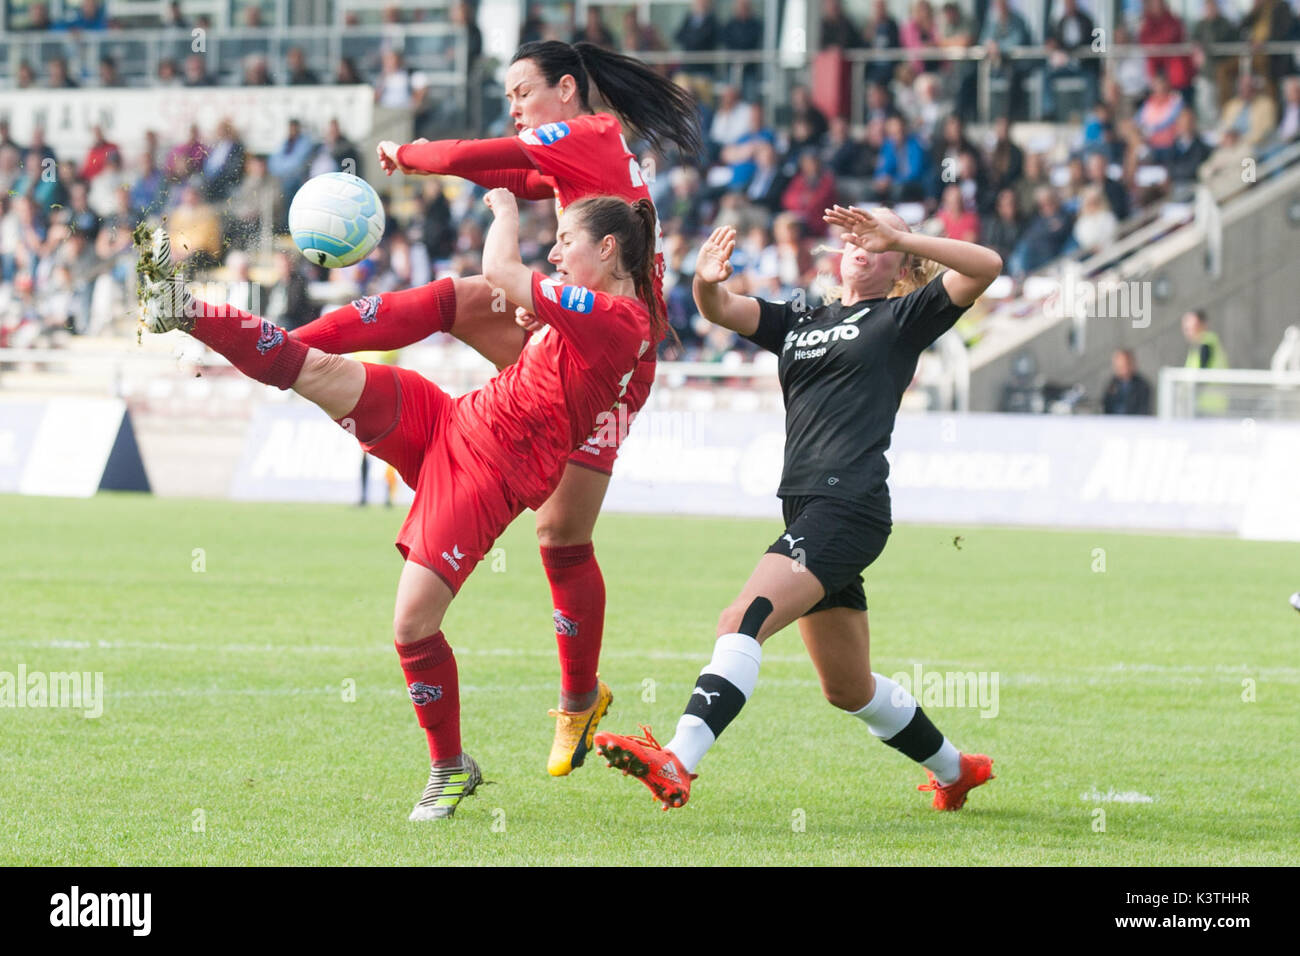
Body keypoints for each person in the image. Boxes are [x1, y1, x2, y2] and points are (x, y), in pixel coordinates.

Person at [135, 192, 659, 820]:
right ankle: (182, 308)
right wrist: (535, 323)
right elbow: (543, 340)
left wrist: (504, 212)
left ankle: (449, 767)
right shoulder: (599, 314)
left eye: (565, 241)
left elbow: (500, 272)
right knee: (315, 370)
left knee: (411, 624)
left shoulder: (623, 321)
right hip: (449, 417)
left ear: (607, 249)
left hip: (488, 478)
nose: (553, 252)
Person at [288, 40, 700, 777]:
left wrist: (411, 153)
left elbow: (493, 155)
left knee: (560, 535)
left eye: (522, 91)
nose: (514, 106)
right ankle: (291, 347)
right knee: (450, 302)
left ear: (566, 90)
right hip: (566, 332)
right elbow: (512, 165)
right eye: (508, 95)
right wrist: (473, 178)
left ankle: (580, 697)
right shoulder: (583, 157)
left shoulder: (590, 136)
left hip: (614, 360)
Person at [595, 205, 1001, 811]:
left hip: (849, 507)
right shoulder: (802, 318)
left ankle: (677, 759)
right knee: (848, 688)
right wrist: (707, 280)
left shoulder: (903, 316)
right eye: (859, 236)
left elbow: (987, 266)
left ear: (900, 265)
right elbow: (722, 309)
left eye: (880, 241)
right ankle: (956, 771)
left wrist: (902, 234)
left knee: (742, 618)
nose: (864, 244)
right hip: (809, 508)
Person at [1102, 349, 1153, 414]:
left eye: (1122, 366)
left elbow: (1143, 409)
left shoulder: (1142, 385)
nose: (1119, 369)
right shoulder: (1112, 384)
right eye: (1117, 366)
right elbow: (1106, 406)